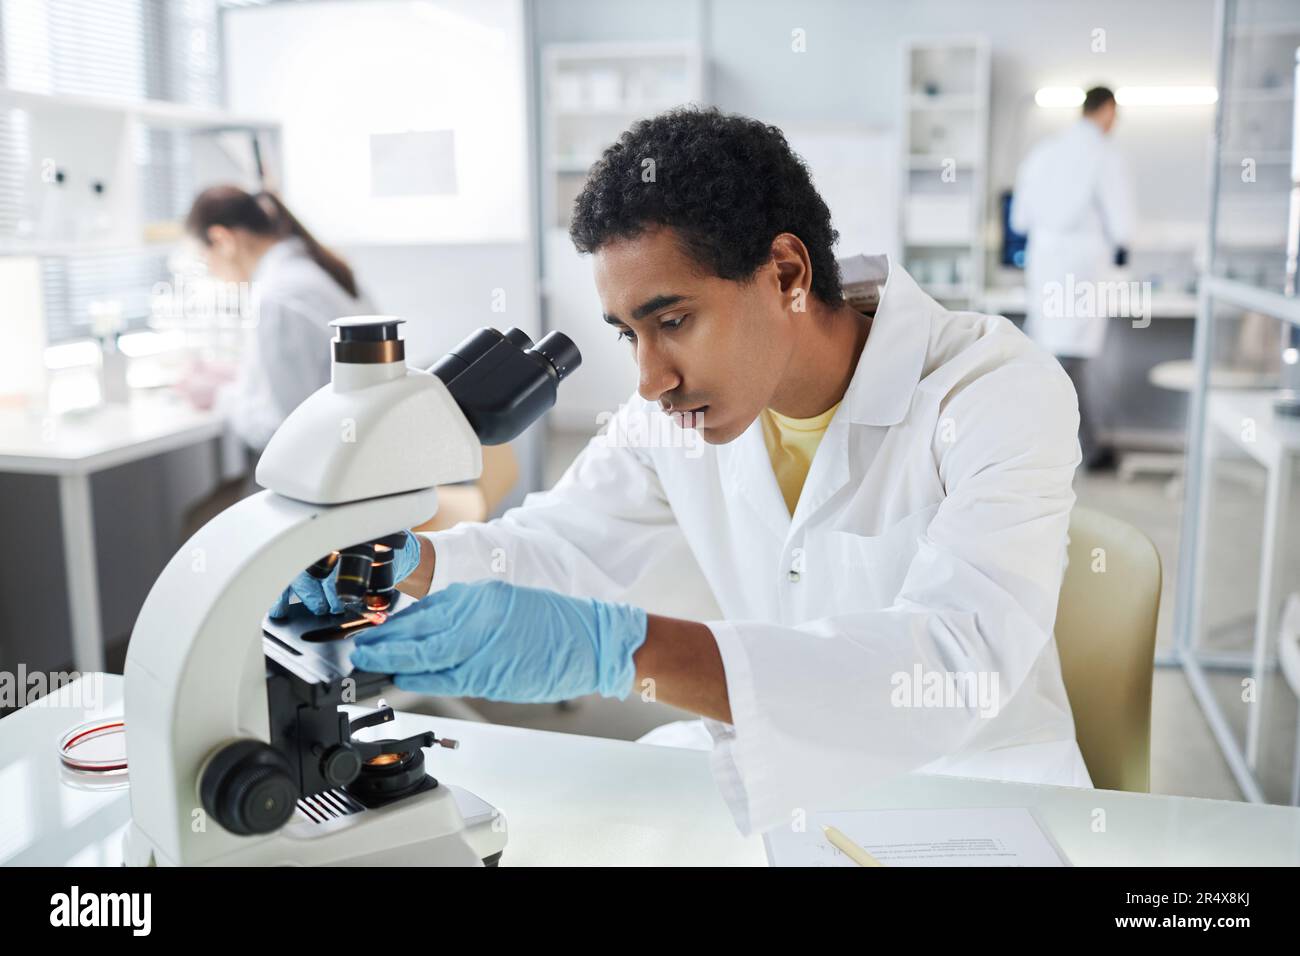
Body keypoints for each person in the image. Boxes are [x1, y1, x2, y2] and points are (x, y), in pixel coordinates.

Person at [299, 108, 1093, 837]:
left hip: (974, 789)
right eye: (626, 335)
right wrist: (406, 565)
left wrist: (631, 651)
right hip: (781, 770)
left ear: (786, 274)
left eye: (673, 321)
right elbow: (559, 546)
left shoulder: (996, 390)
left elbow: (955, 661)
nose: (650, 379)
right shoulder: (670, 417)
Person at [186, 185, 376, 454]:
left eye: (204, 259)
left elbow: (282, 430)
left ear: (222, 240)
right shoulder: (313, 269)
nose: (211, 271)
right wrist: (242, 378)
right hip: (360, 450)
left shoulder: (276, 297)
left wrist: (220, 397)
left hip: (333, 463)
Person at [1011, 86, 1135, 469]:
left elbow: (1019, 219)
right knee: (1070, 361)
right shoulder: (1103, 153)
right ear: (1107, 109)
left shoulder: (1043, 153)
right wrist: (1122, 249)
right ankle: (1077, 449)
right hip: (1080, 264)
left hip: (1044, 261)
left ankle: (1046, 446)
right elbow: (1124, 224)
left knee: (1048, 354)